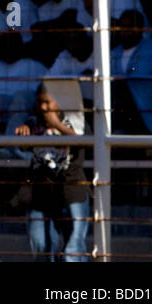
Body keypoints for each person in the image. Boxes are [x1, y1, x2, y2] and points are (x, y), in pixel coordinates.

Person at [15, 84, 90, 261]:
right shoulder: (32, 122)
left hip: (72, 192)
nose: (43, 108)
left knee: (73, 249)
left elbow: (84, 142)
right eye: (40, 102)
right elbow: (22, 145)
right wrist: (23, 133)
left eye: (48, 102)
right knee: (40, 243)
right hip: (41, 193)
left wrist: (57, 124)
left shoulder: (74, 121)